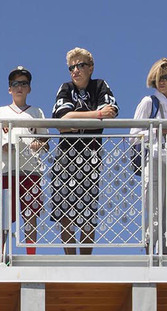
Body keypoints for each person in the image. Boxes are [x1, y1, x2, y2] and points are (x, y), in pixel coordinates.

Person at [51, 48, 118, 255]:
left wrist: (77, 119)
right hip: (66, 155)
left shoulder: (100, 85)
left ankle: (85, 260)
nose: (75, 70)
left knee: (88, 211)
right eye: (71, 67)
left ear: (90, 68)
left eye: (80, 65)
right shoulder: (65, 88)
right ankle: (71, 259)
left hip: (91, 155)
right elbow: (63, 122)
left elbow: (112, 113)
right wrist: (96, 115)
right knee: (66, 211)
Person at [131, 58, 167, 256]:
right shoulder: (149, 102)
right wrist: (160, 130)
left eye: (164, 77)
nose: (161, 82)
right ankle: (149, 256)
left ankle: (164, 255)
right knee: (155, 210)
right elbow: (134, 135)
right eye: (157, 79)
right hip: (155, 158)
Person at [0, 66, 47, 256]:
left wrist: (37, 144)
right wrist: (1, 147)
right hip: (6, 170)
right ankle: (1, 257)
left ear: (29, 88)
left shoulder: (37, 112)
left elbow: (45, 141)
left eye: (23, 83)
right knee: (3, 218)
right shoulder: (1, 112)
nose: (19, 87)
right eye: (15, 84)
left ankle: (31, 256)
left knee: (30, 216)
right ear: (9, 89)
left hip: (31, 170)